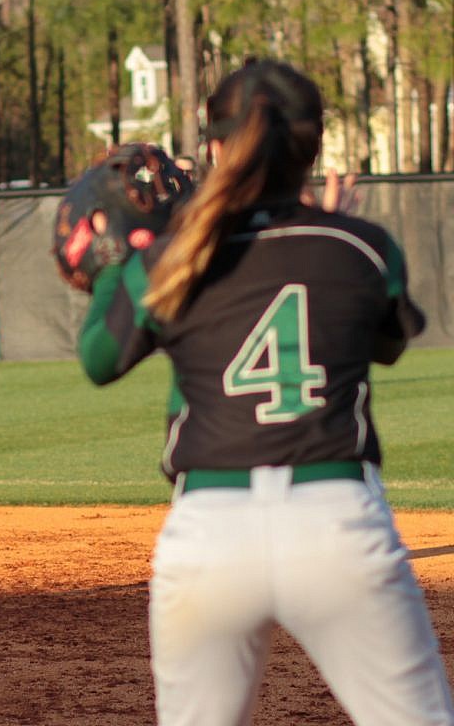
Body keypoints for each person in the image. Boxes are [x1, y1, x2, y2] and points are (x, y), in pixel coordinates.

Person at [77, 60, 454, 725]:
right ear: (311, 150)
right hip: (338, 527)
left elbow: (99, 361)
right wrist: (331, 228)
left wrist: (118, 264)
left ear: (215, 147)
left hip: (209, 537)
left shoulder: (171, 255)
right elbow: (385, 342)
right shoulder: (360, 246)